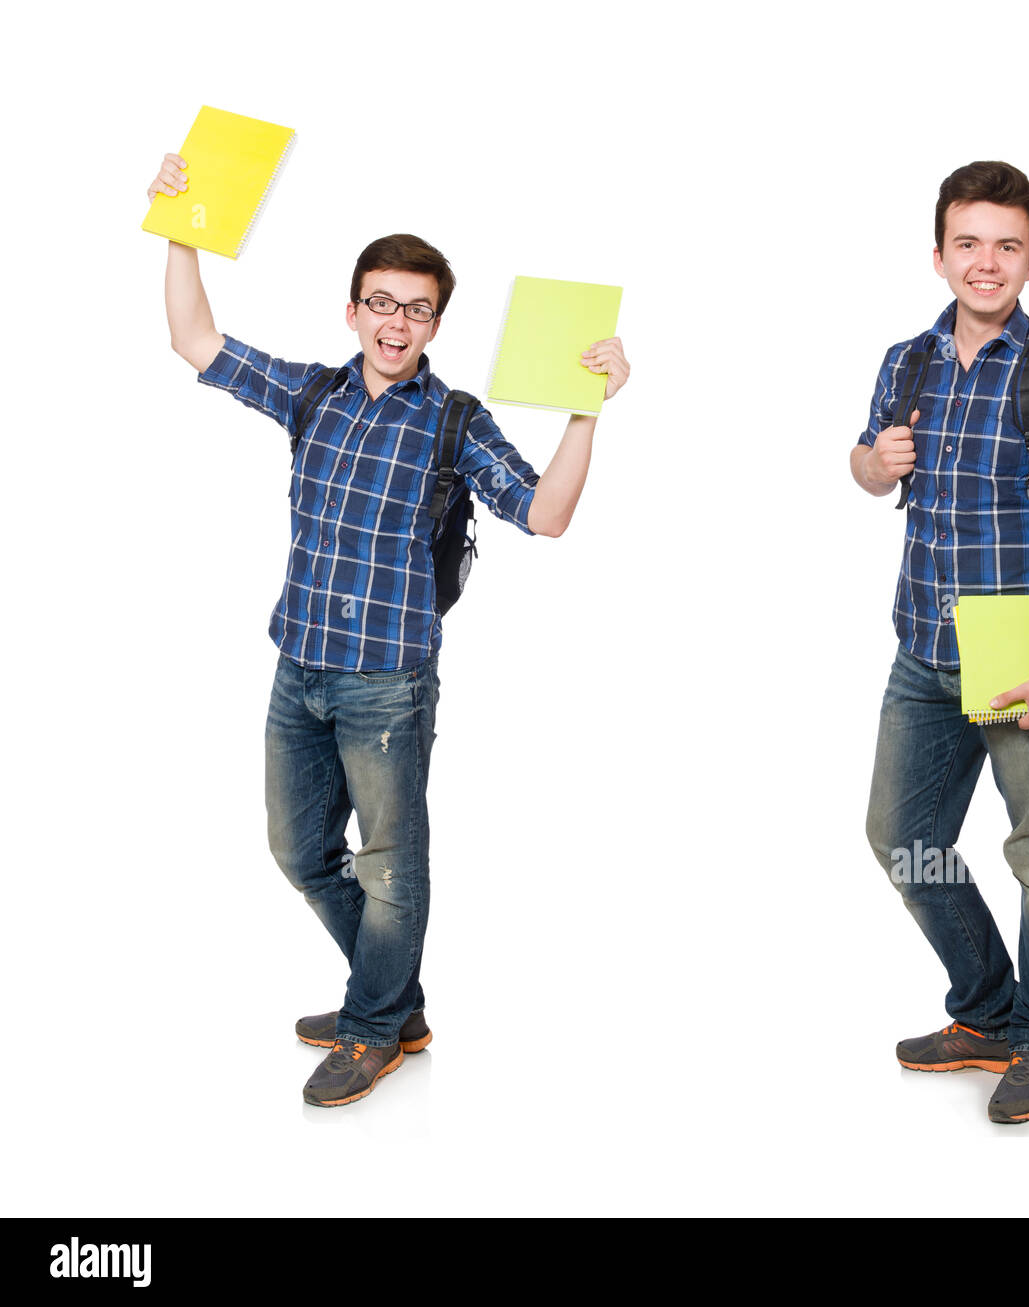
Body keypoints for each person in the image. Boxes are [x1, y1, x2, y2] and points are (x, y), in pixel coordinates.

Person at [147, 152, 629, 1107]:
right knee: (298, 851)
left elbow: (546, 514)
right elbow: (194, 338)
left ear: (435, 323)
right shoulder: (312, 396)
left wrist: (588, 411)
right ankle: (391, 995)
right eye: (381, 301)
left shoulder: (453, 418)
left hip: (389, 683)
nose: (396, 321)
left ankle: (374, 1029)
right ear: (354, 310)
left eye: (416, 308)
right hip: (298, 664)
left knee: (391, 870)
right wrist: (180, 224)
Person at [850, 160, 1029, 1124]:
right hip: (922, 644)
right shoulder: (906, 361)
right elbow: (866, 465)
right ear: (938, 253)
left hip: (1017, 652)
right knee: (903, 838)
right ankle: (988, 1007)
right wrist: (874, 461)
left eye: (1007, 246)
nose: (986, 262)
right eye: (969, 243)